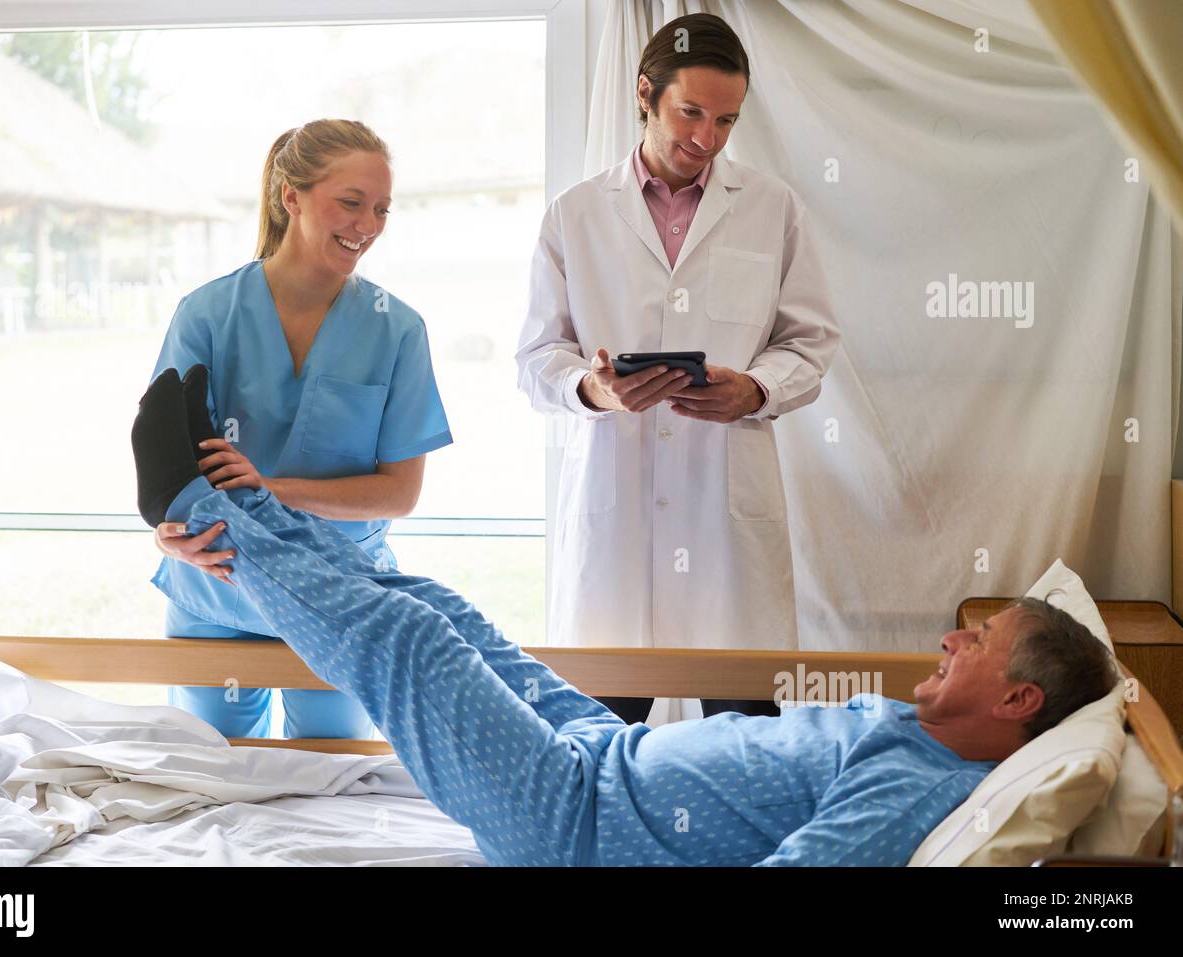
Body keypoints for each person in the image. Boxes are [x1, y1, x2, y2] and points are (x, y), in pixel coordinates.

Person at [131, 370, 1119, 866]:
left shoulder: (920, 782)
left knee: (409, 641)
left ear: (1018, 698)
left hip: (572, 819)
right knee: (437, 605)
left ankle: (195, 504)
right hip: (603, 752)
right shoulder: (912, 729)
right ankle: (246, 503)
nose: (953, 636)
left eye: (978, 642)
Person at [515, 13, 840, 726]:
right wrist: (591, 388)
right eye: (691, 112)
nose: (707, 138)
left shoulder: (772, 210)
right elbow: (537, 358)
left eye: (726, 120)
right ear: (645, 94)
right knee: (598, 739)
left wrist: (756, 389)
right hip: (615, 511)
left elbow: (811, 342)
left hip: (726, 513)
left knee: (749, 734)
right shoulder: (575, 215)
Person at [147, 120, 452, 741]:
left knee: (333, 777)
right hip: (219, 581)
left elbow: (399, 492)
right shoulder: (206, 315)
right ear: (291, 196)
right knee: (216, 779)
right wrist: (169, 537)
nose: (367, 225)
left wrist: (271, 488)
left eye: (381, 209)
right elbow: (163, 464)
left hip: (340, 590)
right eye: (350, 202)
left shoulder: (396, 330)